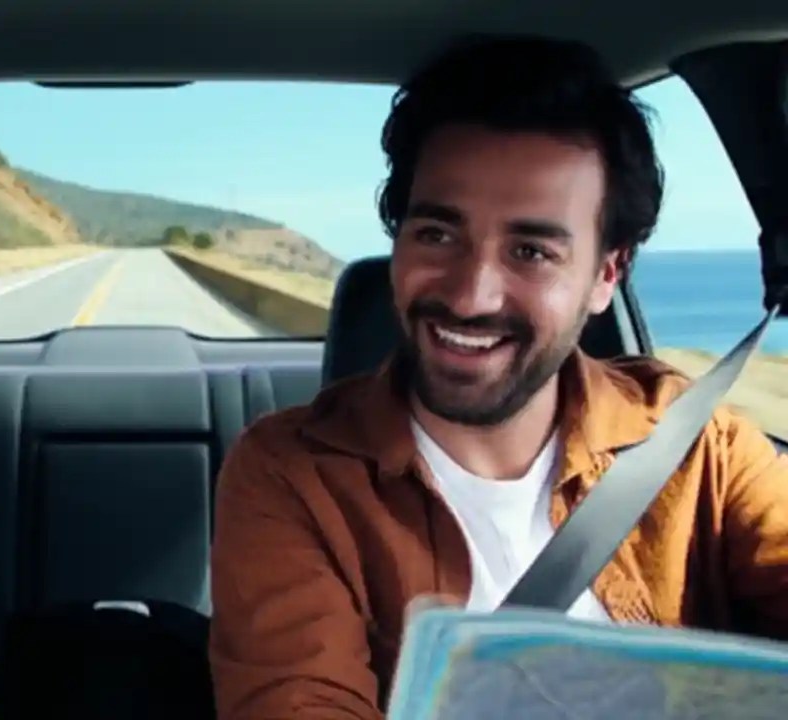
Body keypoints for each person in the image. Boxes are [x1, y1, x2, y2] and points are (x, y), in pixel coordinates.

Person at [208, 35, 788, 719]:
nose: (470, 296)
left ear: (606, 274)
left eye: (531, 251)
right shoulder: (293, 475)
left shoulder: (700, 448)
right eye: (437, 235)